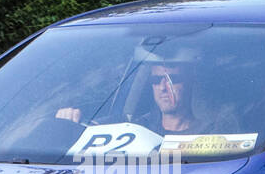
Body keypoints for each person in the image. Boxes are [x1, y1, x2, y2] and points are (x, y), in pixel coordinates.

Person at [56, 48, 214, 134]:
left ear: (190, 82)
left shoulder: (212, 133)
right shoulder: (134, 127)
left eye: (172, 79)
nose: (163, 87)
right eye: (155, 80)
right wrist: (70, 122)